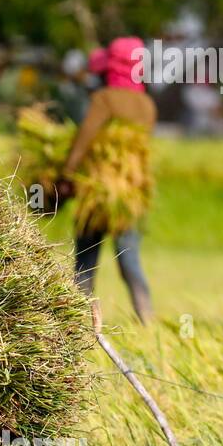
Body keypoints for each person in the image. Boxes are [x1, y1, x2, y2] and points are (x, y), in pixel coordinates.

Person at [56, 37, 156, 324]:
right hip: (130, 195)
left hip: (97, 194)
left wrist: (66, 175)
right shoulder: (147, 105)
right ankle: (146, 317)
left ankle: (75, 322)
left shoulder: (104, 99)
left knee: (86, 261)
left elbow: (83, 141)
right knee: (130, 260)